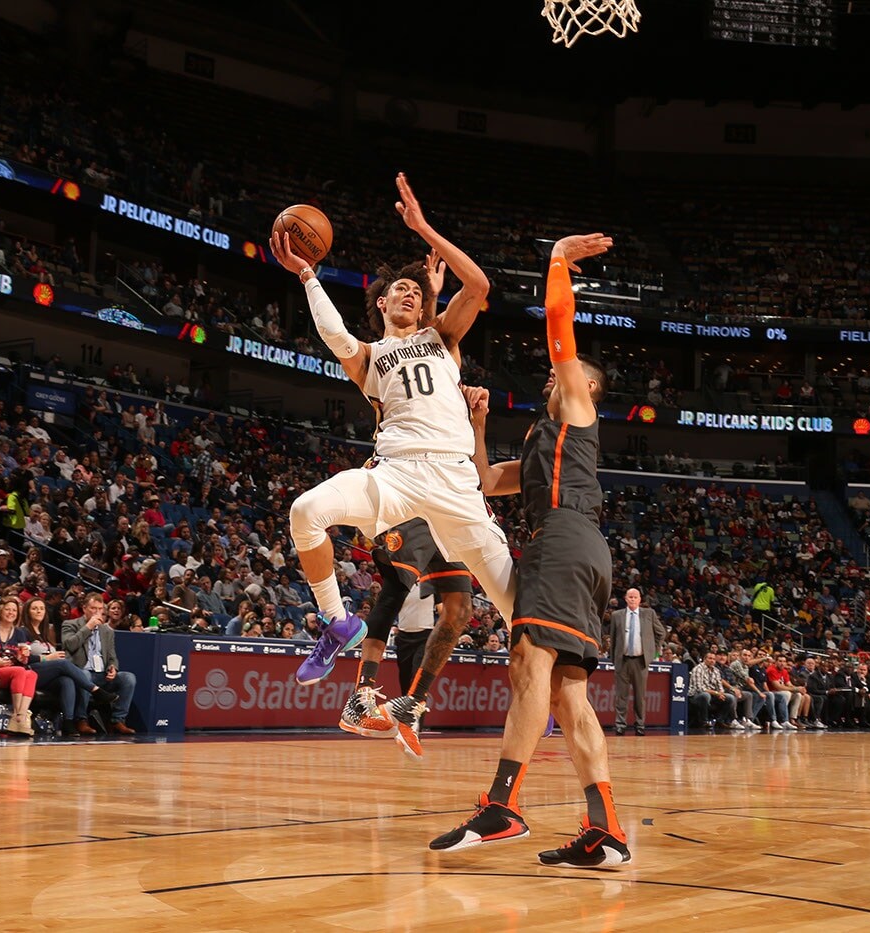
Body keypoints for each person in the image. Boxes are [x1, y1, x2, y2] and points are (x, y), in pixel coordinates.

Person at [268, 175, 515, 700]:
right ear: (381, 305)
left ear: (427, 306)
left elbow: (480, 288)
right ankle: (337, 623)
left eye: (416, 289)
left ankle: (543, 689)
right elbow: (335, 335)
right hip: (397, 473)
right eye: (398, 289)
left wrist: (423, 227)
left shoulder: (442, 337)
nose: (408, 291)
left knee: (516, 603)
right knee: (304, 512)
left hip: (454, 478)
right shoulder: (371, 358)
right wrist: (309, 275)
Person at [430, 233, 630, 868]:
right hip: (577, 547)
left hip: (563, 541)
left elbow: (558, 324)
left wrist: (558, 260)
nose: (556, 373)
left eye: (568, 372)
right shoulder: (548, 436)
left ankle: (504, 806)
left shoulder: (576, 405)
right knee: (570, 695)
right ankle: (607, 830)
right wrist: (479, 426)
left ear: (587, 389)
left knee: (526, 664)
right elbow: (488, 482)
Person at [337, 518, 473, 753]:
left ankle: (410, 709)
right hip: (426, 510)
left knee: (461, 610)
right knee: (394, 590)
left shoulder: (428, 582)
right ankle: (361, 696)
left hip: (456, 519)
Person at [22, 596, 100, 736]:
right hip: (30, 671)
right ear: (27, 612)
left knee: (67, 680)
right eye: (34, 609)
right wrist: (46, 658)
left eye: (41, 608)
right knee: (63, 664)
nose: (39, 611)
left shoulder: (47, 631)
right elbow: (23, 659)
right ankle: (94, 689)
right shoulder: (23, 631)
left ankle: (68, 722)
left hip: (48, 674)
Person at [62, 592, 137, 735]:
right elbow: (69, 645)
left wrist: (113, 668)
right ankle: (81, 720)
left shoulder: (107, 631)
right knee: (84, 675)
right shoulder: (70, 624)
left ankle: (117, 720)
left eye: (99, 609)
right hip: (82, 673)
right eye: (93, 608)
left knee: (128, 678)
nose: (97, 612)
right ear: (84, 608)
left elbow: (112, 657)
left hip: (102, 675)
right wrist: (88, 627)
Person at [0, 595, 41, 736]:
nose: (11, 613)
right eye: (7, 609)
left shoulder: (20, 633)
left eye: (14, 610)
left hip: (12, 671)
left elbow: (23, 661)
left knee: (31, 674)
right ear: (0, 611)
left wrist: (22, 657)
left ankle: (21, 716)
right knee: (20, 671)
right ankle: (17, 716)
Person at [610, 588, 665, 736]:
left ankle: (640, 725)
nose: (633, 599)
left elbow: (661, 633)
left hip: (640, 661)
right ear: (626, 599)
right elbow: (613, 639)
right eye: (630, 597)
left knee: (640, 696)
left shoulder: (649, 614)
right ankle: (620, 725)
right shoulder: (617, 615)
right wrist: (613, 659)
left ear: (640, 599)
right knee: (621, 695)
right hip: (623, 660)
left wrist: (653, 652)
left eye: (635, 597)